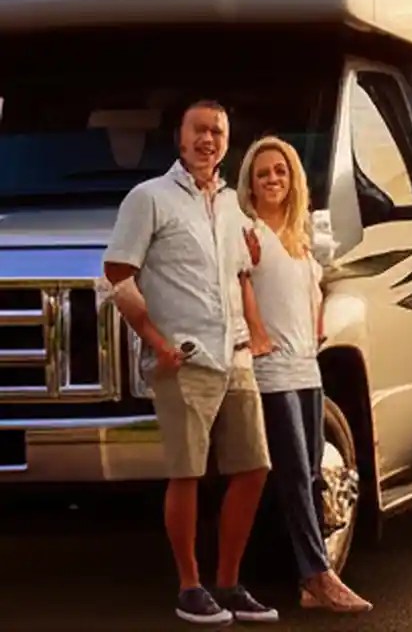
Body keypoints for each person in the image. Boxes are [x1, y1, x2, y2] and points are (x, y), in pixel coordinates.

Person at [101, 100, 280, 625]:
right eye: (199, 130)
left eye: (218, 132)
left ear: (227, 142)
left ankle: (228, 583)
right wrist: (156, 341)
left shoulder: (230, 205)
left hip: (235, 357)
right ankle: (189, 586)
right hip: (183, 360)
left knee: (253, 469)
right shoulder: (149, 198)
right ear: (179, 139)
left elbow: (242, 273)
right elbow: (117, 274)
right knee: (188, 475)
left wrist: (256, 334)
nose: (209, 139)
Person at [236, 135, 373, 614]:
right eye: (262, 174)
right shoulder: (248, 234)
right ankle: (317, 575)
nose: (272, 179)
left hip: (306, 367)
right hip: (271, 369)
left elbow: (313, 291)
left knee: (312, 470)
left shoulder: (300, 238)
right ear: (249, 186)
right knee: (293, 471)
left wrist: (317, 327)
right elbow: (240, 286)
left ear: (292, 178)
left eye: (280, 171)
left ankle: (307, 583)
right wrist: (255, 333)